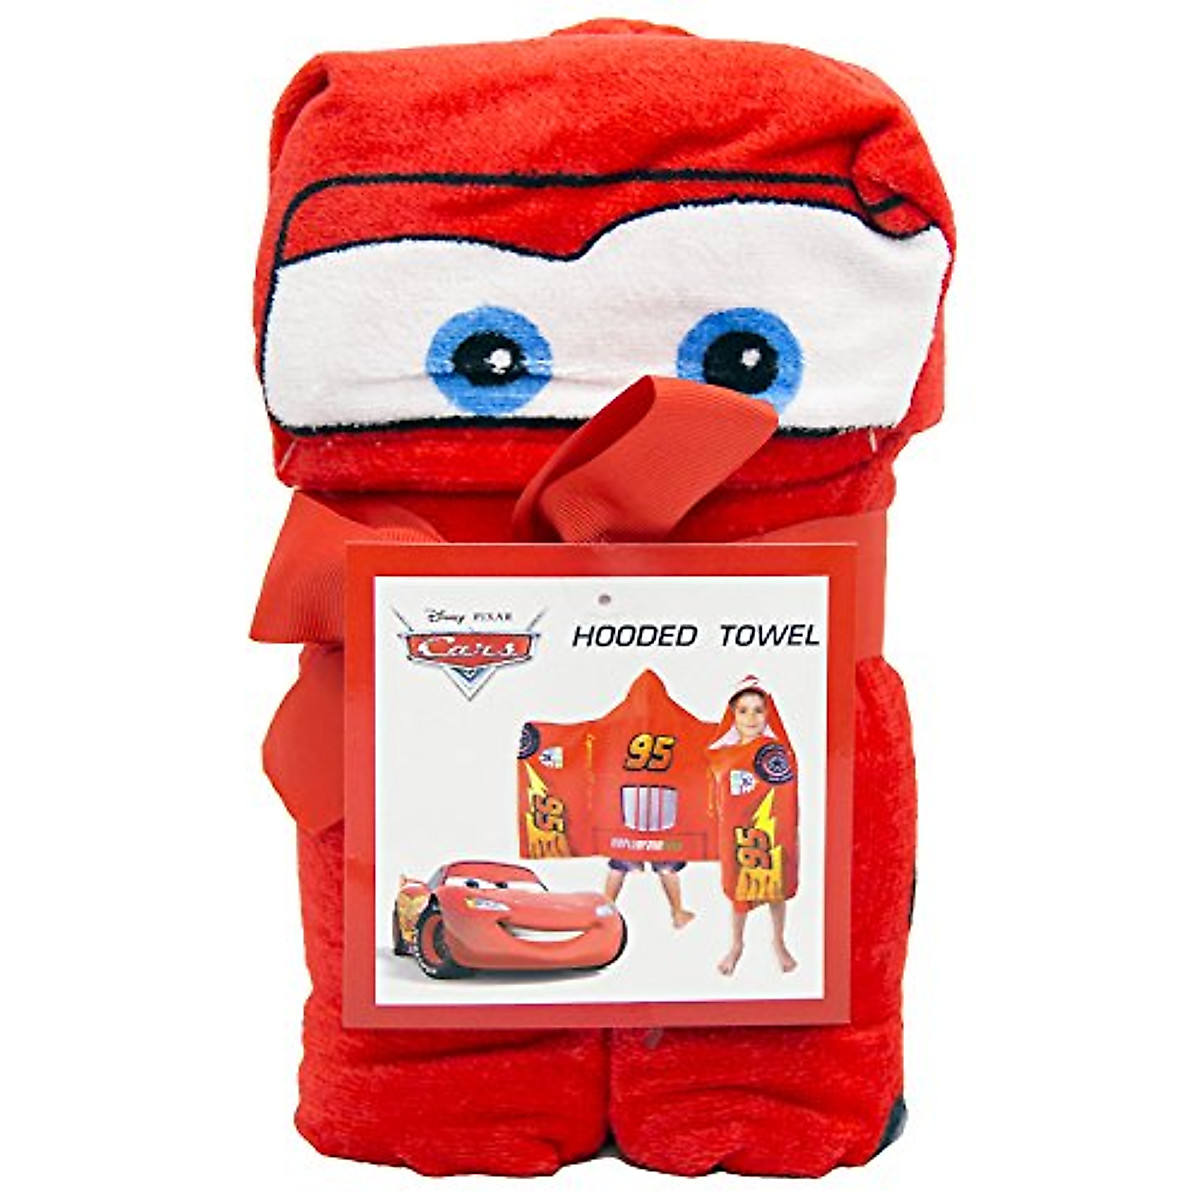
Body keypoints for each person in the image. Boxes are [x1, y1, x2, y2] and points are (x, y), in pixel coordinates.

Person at [707, 681, 799, 975]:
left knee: (776, 888)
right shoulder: (723, 754)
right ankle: (736, 945)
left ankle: (779, 941)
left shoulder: (776, 752)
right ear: (733, 715)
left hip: (771, 831)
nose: (751, 717)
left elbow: (786, 787)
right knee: (740, 892)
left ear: (768, 715)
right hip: (739, 836)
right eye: (743, 710)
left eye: (758, 710)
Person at [604, 859, 694, 928]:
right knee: (666, 866)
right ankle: (678, 914)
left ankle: (606, 910)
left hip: (632, 843)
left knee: (619, 865)